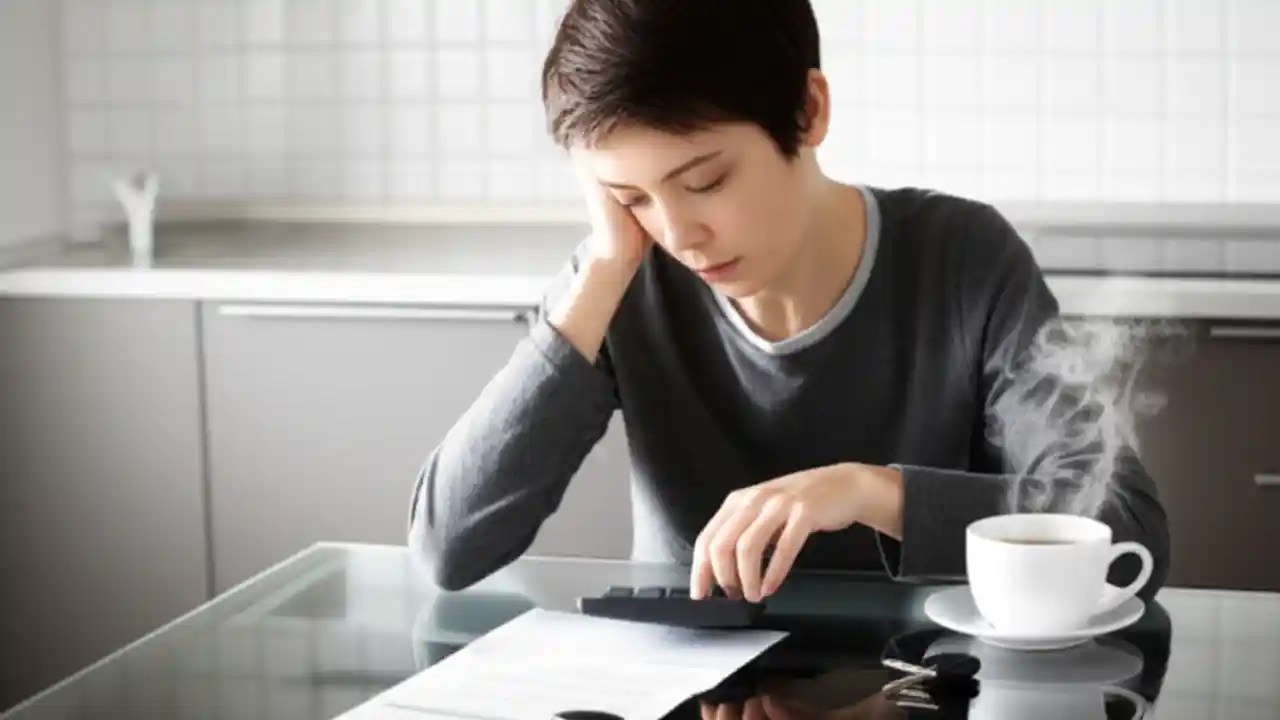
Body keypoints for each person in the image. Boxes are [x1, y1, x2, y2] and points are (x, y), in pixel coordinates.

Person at [407, 0, 1169, 602]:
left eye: (706, 181)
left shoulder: (963, 257)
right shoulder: (622, 276)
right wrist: (604, 267)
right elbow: (449, 549)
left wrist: (874, 492)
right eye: (630, 196)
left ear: (808, 112)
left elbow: (1126, 531)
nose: (680, 233)